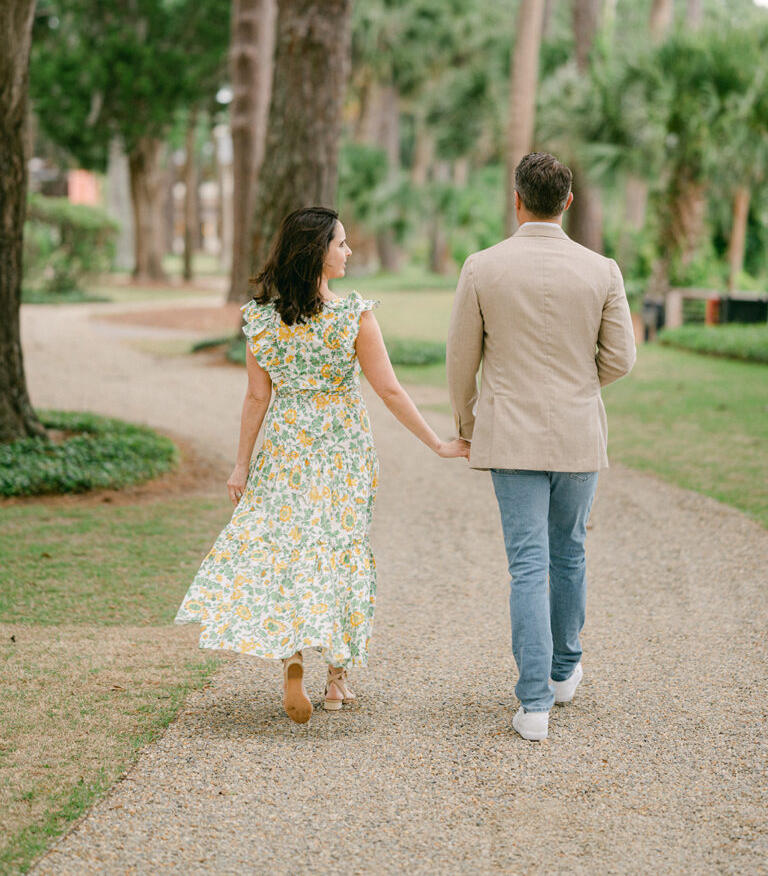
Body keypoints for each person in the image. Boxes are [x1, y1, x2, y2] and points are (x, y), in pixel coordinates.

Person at [176, 206, 468, 723]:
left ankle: (291, 657)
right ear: (318, 251)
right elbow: (390, 391)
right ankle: (336, 681)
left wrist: (240, 466)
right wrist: (437, 444)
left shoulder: (262, 320)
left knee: (289, 548)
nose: (349, 251)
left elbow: (254, 399)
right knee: (339, 549)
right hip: (343, 450)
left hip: (286, 448)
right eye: (341, 244)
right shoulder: (352, 315)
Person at [446, 152, 636, 742]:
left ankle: (533, 707)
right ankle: (562, 671)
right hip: (579, 432)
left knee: (527, 564)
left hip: (510, 434)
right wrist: (577, 389)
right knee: (570, 552)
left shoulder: (482, 267)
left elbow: (461, 360)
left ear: (517, 199)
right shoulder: (602, 270)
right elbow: (622, 359)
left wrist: (469, 421)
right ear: (569, 202)